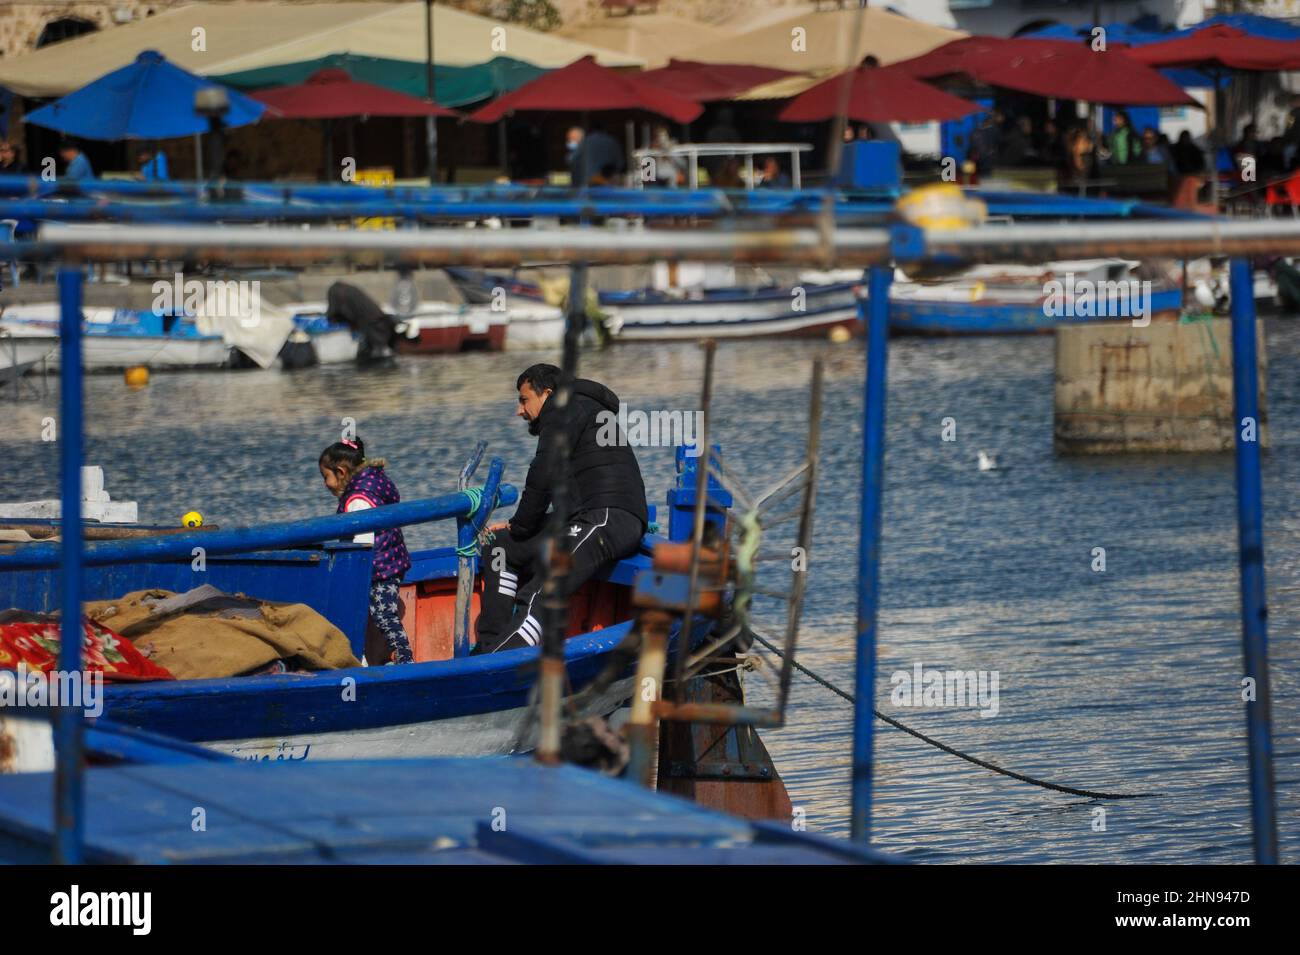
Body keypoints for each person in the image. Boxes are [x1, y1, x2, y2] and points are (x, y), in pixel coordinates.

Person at [474, 364, 648, 654]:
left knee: (541, 591)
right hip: (583, 516)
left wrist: (521, 525)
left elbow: (543, 473)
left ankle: (496, 664)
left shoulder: (564, 407)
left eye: (524, 400)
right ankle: (490, 647)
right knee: (501, 547)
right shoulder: (576, 408)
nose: (520, 411)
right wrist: (516, 531)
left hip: (609, 517)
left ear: (547, 394)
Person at [319, 437, 414, 664]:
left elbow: (362, 545)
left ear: (341, 472)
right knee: (380, 614)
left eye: (326, 477)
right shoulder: (374, 483)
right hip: (389, 562)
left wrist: (349, 575)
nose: (326, 484)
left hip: (379, 569)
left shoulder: (357, 499)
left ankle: (405, 658)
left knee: (382, 614)